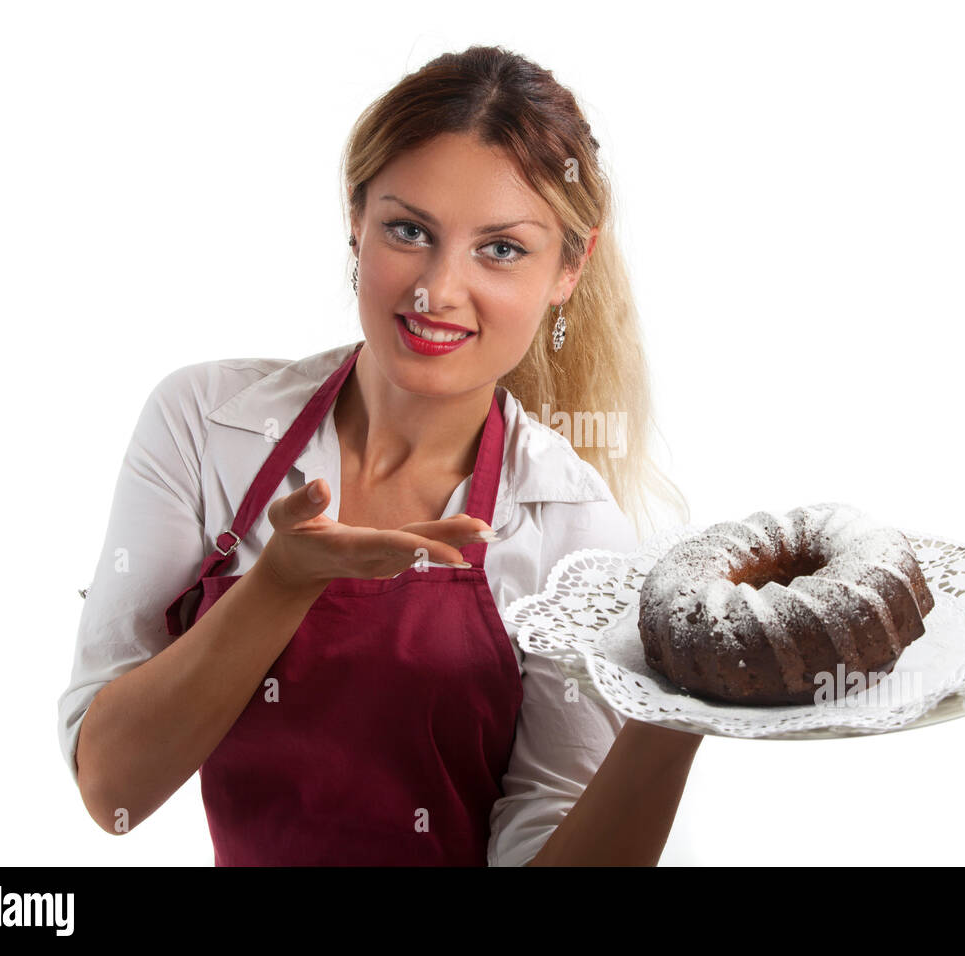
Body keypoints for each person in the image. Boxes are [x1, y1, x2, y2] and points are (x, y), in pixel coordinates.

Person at [58, 44, 697, 866]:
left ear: (569, 268)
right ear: (355, 220)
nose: (438, 288)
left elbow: (544, 847)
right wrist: (279, 586)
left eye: (501, 248)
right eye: (409, 230)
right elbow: (113, 791)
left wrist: (674, 721)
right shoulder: (206, 426)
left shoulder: (573, 531)